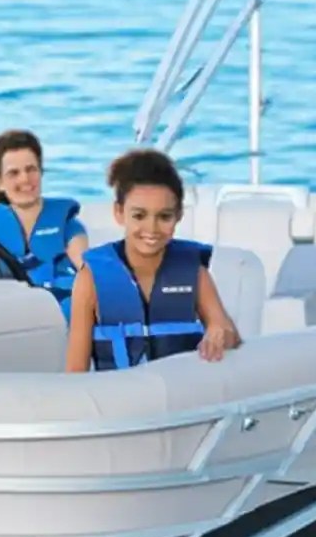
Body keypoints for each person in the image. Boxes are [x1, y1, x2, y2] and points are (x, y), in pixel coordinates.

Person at [66, 149, 241, 372]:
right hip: (120, 402)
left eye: (164, 216)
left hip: (183, 398)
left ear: (179, 215)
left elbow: (226, 331)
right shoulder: (90, 278)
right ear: (119, 212)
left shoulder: (194, 272)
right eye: (139, 216)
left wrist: (220, 332)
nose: (152, 228)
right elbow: (75, 372)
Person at [0, 129, 89, 320]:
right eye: (14, 173)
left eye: (31, 169)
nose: (25, 179)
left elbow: (87, 269)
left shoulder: (68, 225)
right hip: (15, 317)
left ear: (41, 172)